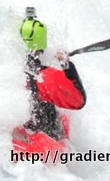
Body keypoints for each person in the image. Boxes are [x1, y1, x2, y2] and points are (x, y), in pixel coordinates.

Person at [19, 8, 86, 140]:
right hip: (44, 131)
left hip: (25, 130)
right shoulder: (45, 77)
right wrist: (67, 66)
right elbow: (79, 101)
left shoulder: (2, 69)